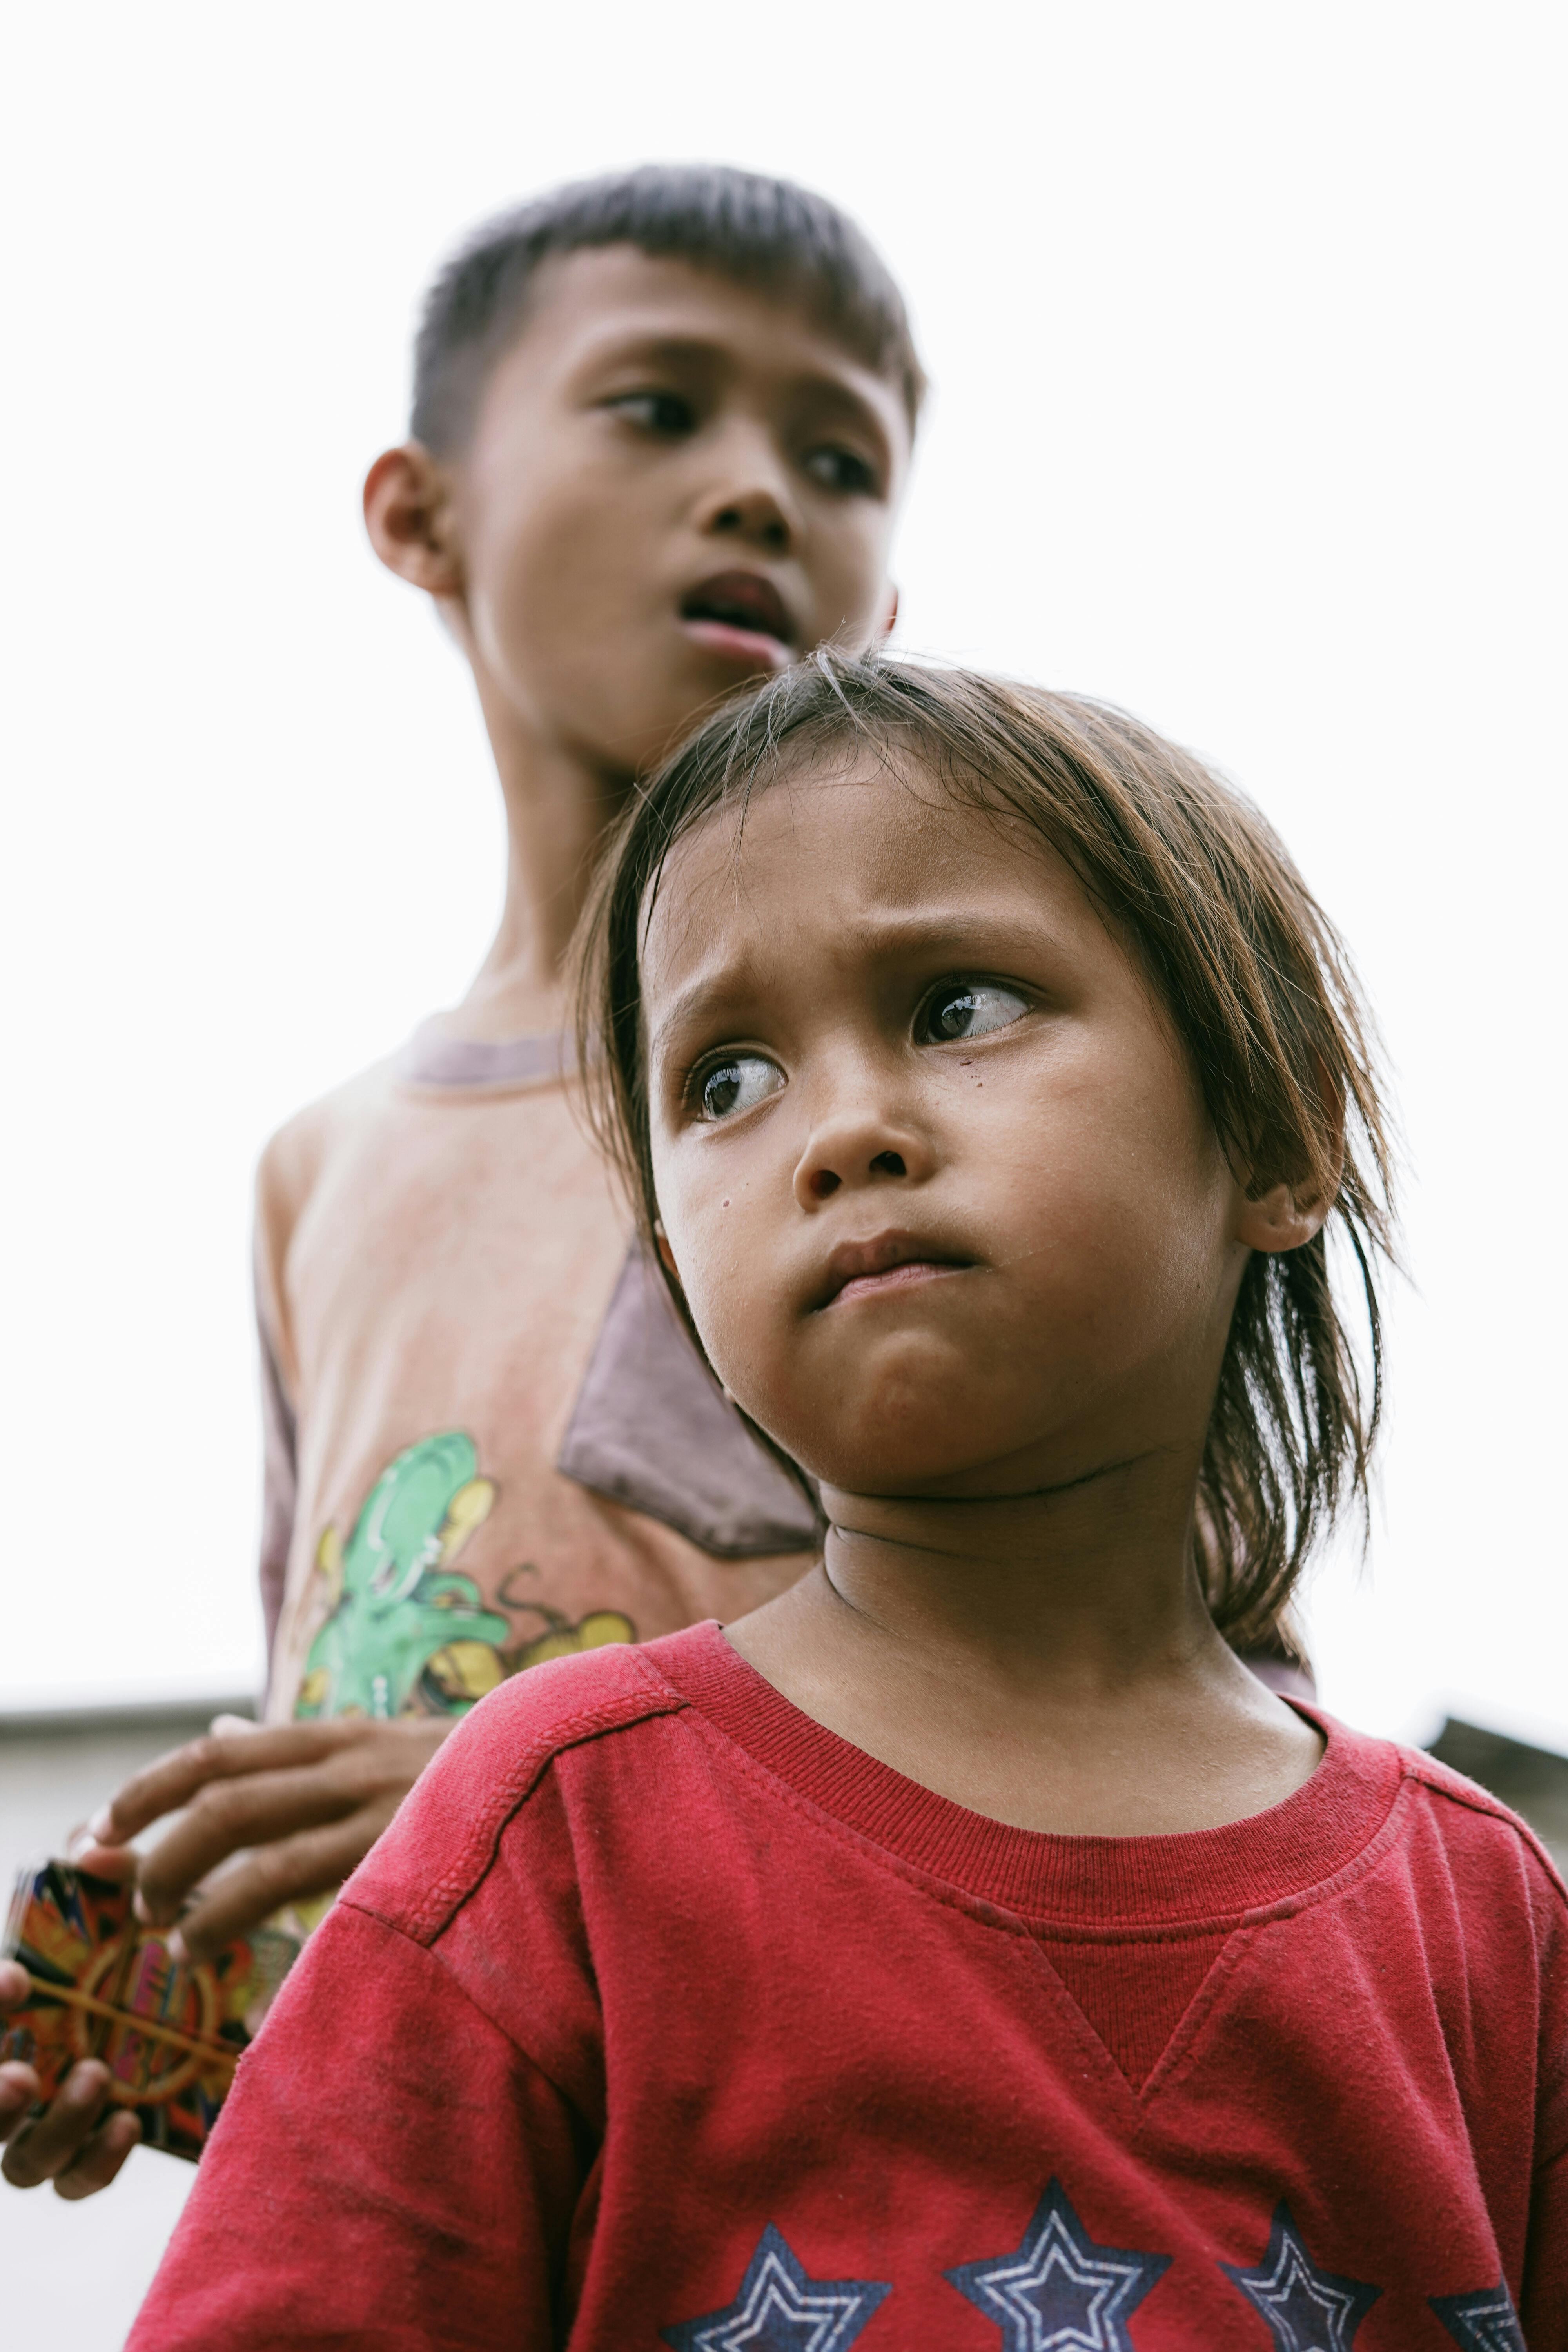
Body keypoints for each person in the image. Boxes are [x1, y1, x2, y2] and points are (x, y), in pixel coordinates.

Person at [125, 656, 1565, 2345]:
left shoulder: (1485, 1920)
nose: (840, 1133)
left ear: (1277, 1128)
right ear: (673, 1258)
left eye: (957, 1008)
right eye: (726, 1082)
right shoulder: (553, 1830)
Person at [0, 165, 924, 2197]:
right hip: (424, 2220)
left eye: (842, 458)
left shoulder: (917, 1093)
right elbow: (324, 1727)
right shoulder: (316, 1169)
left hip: (811, 2216)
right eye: (661, 407)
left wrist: (535, 1802)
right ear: (422, 516)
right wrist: (196, 2008)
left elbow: (1158, 1701)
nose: (761, 492)